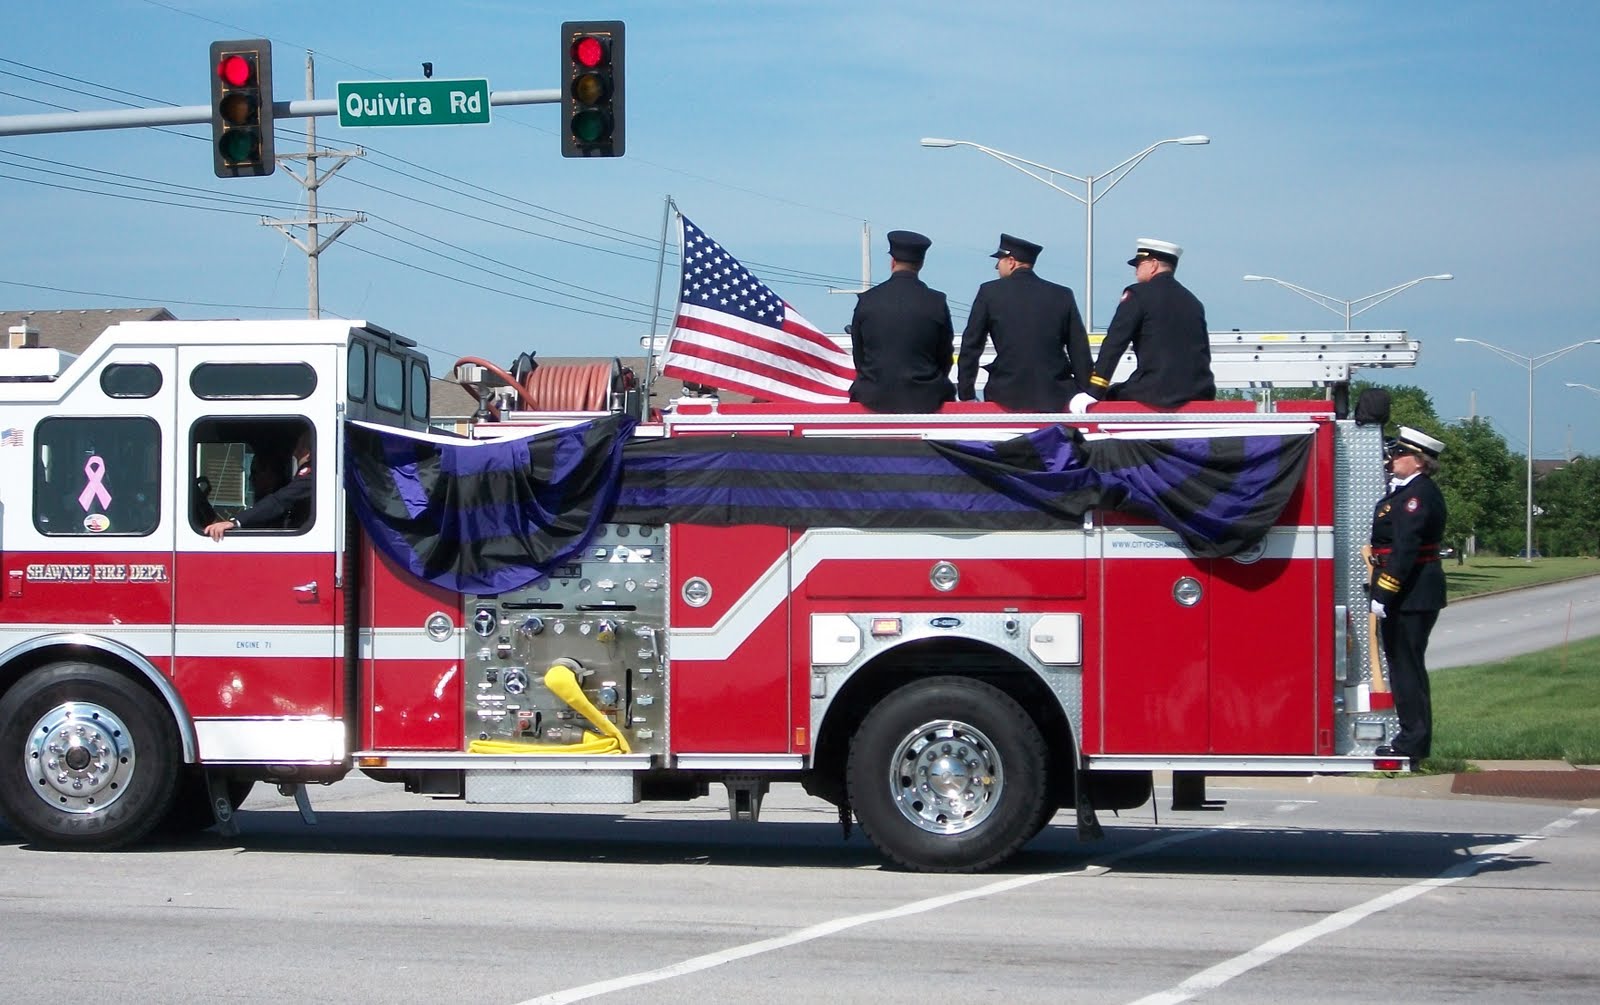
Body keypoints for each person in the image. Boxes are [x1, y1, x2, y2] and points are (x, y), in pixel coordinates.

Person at [1368, 426, 1448, 766]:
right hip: (1408, 591)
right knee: (1403, 666)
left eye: (1400, 454)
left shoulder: (1418, 495)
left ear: (1418, 461)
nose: (1393, 459)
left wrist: (1385, 591)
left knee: (1407, 668)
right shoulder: (1405, 491)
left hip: (1411, 593)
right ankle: (1411, 737)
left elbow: (1406, 548)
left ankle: (1412, 740)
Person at [1069, 238, 1214, 413]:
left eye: (1139, 264)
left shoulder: (1138, 294)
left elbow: (1115, 343)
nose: (1136, 271)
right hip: (1199, 391)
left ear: (1153, 265)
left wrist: (1094, 390)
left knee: (1113, 394)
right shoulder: (1193, 301)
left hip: (1155, 392)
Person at [957, 233, 1093, 412]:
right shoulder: (1062, 295)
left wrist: (966, 394)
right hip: (1056, 394)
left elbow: (971, 346)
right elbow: (1079, 350)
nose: (997, 266)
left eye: (1000, 260)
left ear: (1011, 261)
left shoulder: (990, 293)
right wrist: (1087, 393)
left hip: (1005, 394)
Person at [848, 230, 956, 412]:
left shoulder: (867, 300)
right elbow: (944, 356)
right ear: (921, 264)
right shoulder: (936, 302)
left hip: (873, 396)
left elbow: (859, 356)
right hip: (926, 397)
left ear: (892, 262)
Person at [204, 432, 313, 541]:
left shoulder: (311, 474)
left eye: (300, 447)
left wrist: (235, 522)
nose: (295, 452)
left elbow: (280, 501)